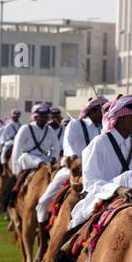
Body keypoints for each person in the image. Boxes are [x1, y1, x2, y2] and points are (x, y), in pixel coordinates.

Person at [68, 95, 132, 228]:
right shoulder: (100, 143)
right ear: (122, 118)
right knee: (130, 176)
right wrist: (118, 188)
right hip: (103, 196)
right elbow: (90, 181)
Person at [36, 95, 108, 225]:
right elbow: (69, 149)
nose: (104, 115)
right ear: (93, 110)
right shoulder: (75, 124)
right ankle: (42, 234)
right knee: (44, 200)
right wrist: (79, 163)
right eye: (102, 111)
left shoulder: (103, 129)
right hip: (75, 170)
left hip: (99, 172)